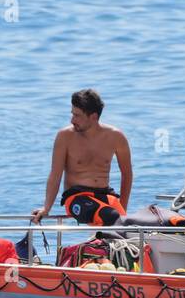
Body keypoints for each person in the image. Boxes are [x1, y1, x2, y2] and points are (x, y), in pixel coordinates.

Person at [32, 89, 133, 227]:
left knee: (127, 224)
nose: (72, 120)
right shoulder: (64, 137)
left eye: (77, 116)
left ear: (93, 117)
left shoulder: (116, 137)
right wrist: (46, 208)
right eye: (72, 114)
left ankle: (96, 246)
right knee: (112, 217)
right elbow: (55, 175)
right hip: (76, 197)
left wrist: (123, 208)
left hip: (106, 196)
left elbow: (127, 174)